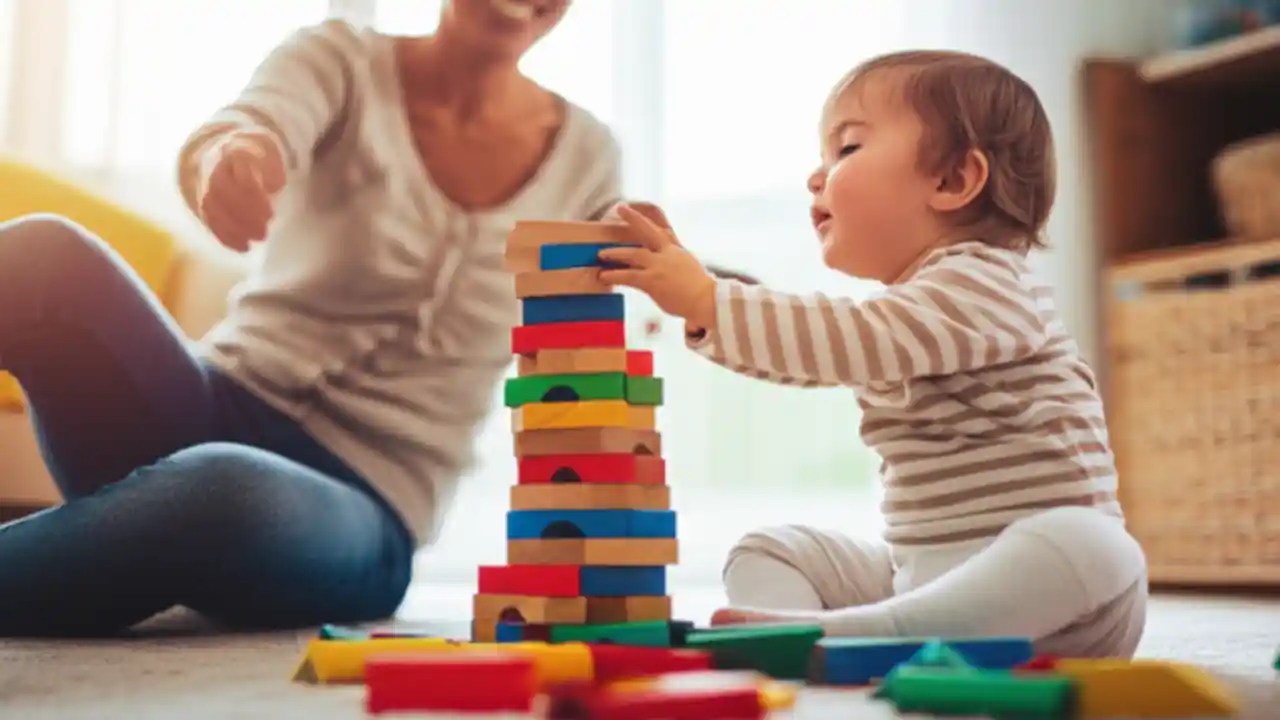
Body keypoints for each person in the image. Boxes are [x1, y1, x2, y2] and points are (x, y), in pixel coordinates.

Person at [0, 0, 622, 636]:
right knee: (45, 255)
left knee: (220, 490)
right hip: (206, 407)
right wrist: (232, 157)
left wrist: (688, 287)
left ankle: (120, 533)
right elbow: (253, 124)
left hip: (361, 511)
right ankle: (123, 532)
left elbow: (621, 275)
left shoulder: (589, 157)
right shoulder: (341, 61)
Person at [599, 50, 1148, 657]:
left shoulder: (988, 282)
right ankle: (814, 638)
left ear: (953, 181)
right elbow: (821, 348)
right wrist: (698, 298)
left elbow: (847, 338)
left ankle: (867, 634)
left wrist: (708, 299)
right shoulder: (906, 313)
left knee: (1093, 543)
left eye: (847, 150)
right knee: (768, 549)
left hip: (1066, 607)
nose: (816, 176)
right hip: (926, 578)